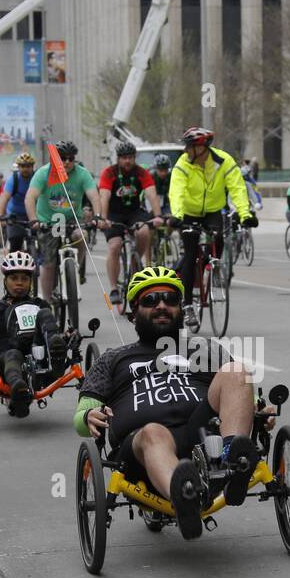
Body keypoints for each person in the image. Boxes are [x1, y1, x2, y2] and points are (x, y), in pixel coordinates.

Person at [74, 266, 265, 540]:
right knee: (154, 433)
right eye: (151, 300)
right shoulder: (113, 358)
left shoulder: (204, 349)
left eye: (170, 299)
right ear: (133, 313)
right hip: (141, 445)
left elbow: (244, 395)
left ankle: (232, 463)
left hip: (201, 436)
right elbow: (81, 416)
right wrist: (88, 416)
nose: (162, 306)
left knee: (237, 371)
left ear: (181, 309)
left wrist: (259, 409)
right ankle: (184, 493)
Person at [0, 250, 67, 418]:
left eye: (24, 279)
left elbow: (49, 328)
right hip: (4, 366)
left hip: (39, 362)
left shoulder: (40, 304)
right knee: (13, 354)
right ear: (5, 281)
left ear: (31, 282)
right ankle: (19, 389)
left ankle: (57, 358)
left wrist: (66, 337)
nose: (19, 284)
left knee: (44, 314)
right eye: (14, 279)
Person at [166, 126, 256, 307]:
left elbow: (237, 188)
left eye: (189, 147)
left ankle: (210, 265)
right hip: (189, 213)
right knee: (190, 255)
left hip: (213, 211)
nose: (185, 150)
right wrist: (177, 215)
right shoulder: (183, 164)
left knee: (219, 238)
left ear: (201, 148)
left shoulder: (224, 161)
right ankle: (188, 303)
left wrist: (244, 213)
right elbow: (176, 191)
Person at [23, 140, 103, 303]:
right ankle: (46, 301)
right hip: (48, 221)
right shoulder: (43, 173)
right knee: (49, 263)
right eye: (62, 158)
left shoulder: (82, 173)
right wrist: (34, 220)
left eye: (70, 158)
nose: (66, 162)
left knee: (82, 235)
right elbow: (30, 197)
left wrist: (97, 216)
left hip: (73, 218)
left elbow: (93, 195)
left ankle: (76, 270)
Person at [97, 140, 165, 307]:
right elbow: (104, 196)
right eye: (124, 158)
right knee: (115, 245)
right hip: (114, 214)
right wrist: (103, 218)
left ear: (135, 158)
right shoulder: (109, 173)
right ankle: (114, 288)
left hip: (134, 212)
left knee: (143, 232)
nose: (127, 161)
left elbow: (151, 193)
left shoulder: (141, 173)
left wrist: (157, 216)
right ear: (118, 159)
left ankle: (135, 264)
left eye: (130, 157)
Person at [0, 152, 37, 253]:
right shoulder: (13, 179)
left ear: (32, 167)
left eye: (28, 166)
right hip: (15, 215)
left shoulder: (37, 178)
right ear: (18, 167)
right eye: (22, 166)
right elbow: (4, 198)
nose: (25, 169)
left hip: (33, 214)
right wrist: (2, 217)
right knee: (15, 241)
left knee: (40, 239)